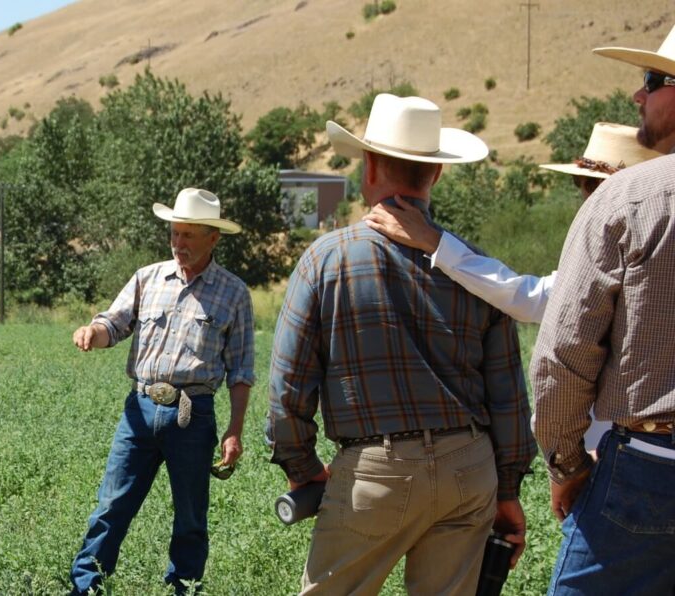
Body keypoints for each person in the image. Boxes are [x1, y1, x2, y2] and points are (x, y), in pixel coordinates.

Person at [267, 94, 535, 595]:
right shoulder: (477, 268)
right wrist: (508, 486)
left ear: (368, 165)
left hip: (374, 472)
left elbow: (287, 389)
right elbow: (507, 394)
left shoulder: (326, 259)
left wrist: (302, 469)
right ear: (435, 174)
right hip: (469, 469)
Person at [361, 122, 662, 454]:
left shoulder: (611, 251)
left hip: (621, 448)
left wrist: (436, 243)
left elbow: (527, 299)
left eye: (591, 187)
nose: (586, 199)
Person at [531, 29, 675, 594]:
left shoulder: (629, 199)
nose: (639, 97)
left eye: (653, 81)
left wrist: (567, 464)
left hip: (650, 464)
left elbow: (562, 356)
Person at [67, 188, 254, 595]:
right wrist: (92, 332)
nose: (179, 243)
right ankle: (86, 588)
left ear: (213, 238)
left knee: (190, 518)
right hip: (140, 408)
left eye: (189, 234)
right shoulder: (148, 278)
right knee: (111, 507)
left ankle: (183, 589)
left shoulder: (234, 293)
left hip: (193, 414)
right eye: (174, 233)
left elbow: (241, 370)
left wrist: (235, 429)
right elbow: (113, 324)